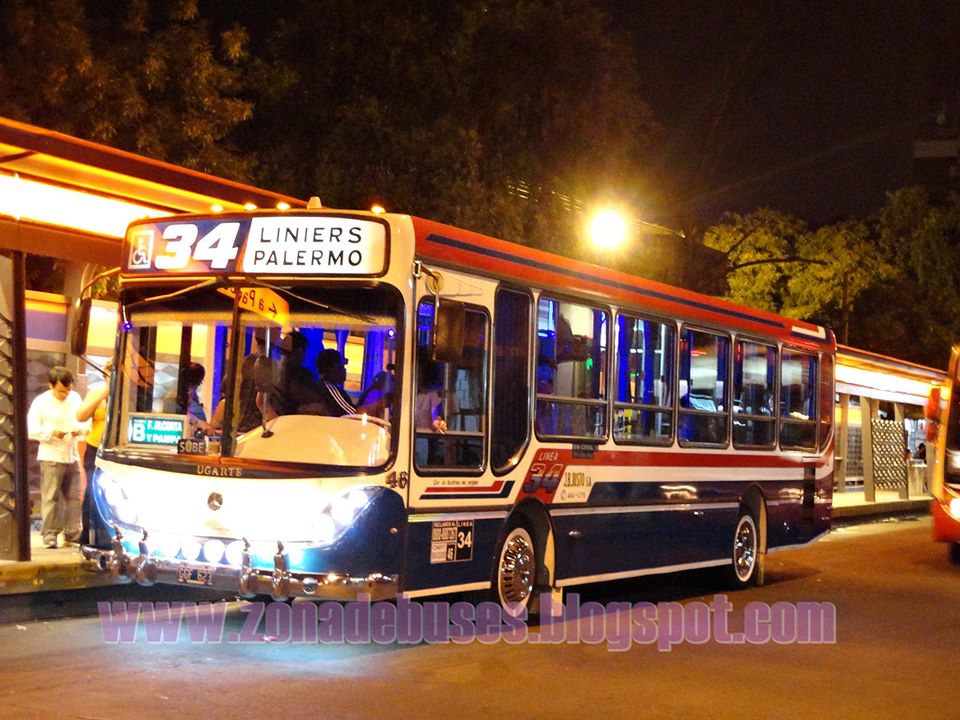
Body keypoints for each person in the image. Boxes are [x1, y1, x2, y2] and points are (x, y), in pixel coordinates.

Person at [27, 366, 88, 549]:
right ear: (51, 385)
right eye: (61, 391)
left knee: (74, 497)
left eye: (67, 391)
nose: (64, 395)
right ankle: (50, 534)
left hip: (72, 455)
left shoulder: (75, 398)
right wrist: (52, 433)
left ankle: (73, 534)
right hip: (50, 455)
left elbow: (86, 422)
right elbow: (31, 430)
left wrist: (78, 430)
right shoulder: (41, 402)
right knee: (50, 497)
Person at [76, 359, 112, 545]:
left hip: (115, 452)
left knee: (112, 494)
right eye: (109, 374)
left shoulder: (129, 395)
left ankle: (110, 534)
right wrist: (103, 394)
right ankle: (88, 535)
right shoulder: (97, 393)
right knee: (92, 491)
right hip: (95, 449)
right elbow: (81, 416)